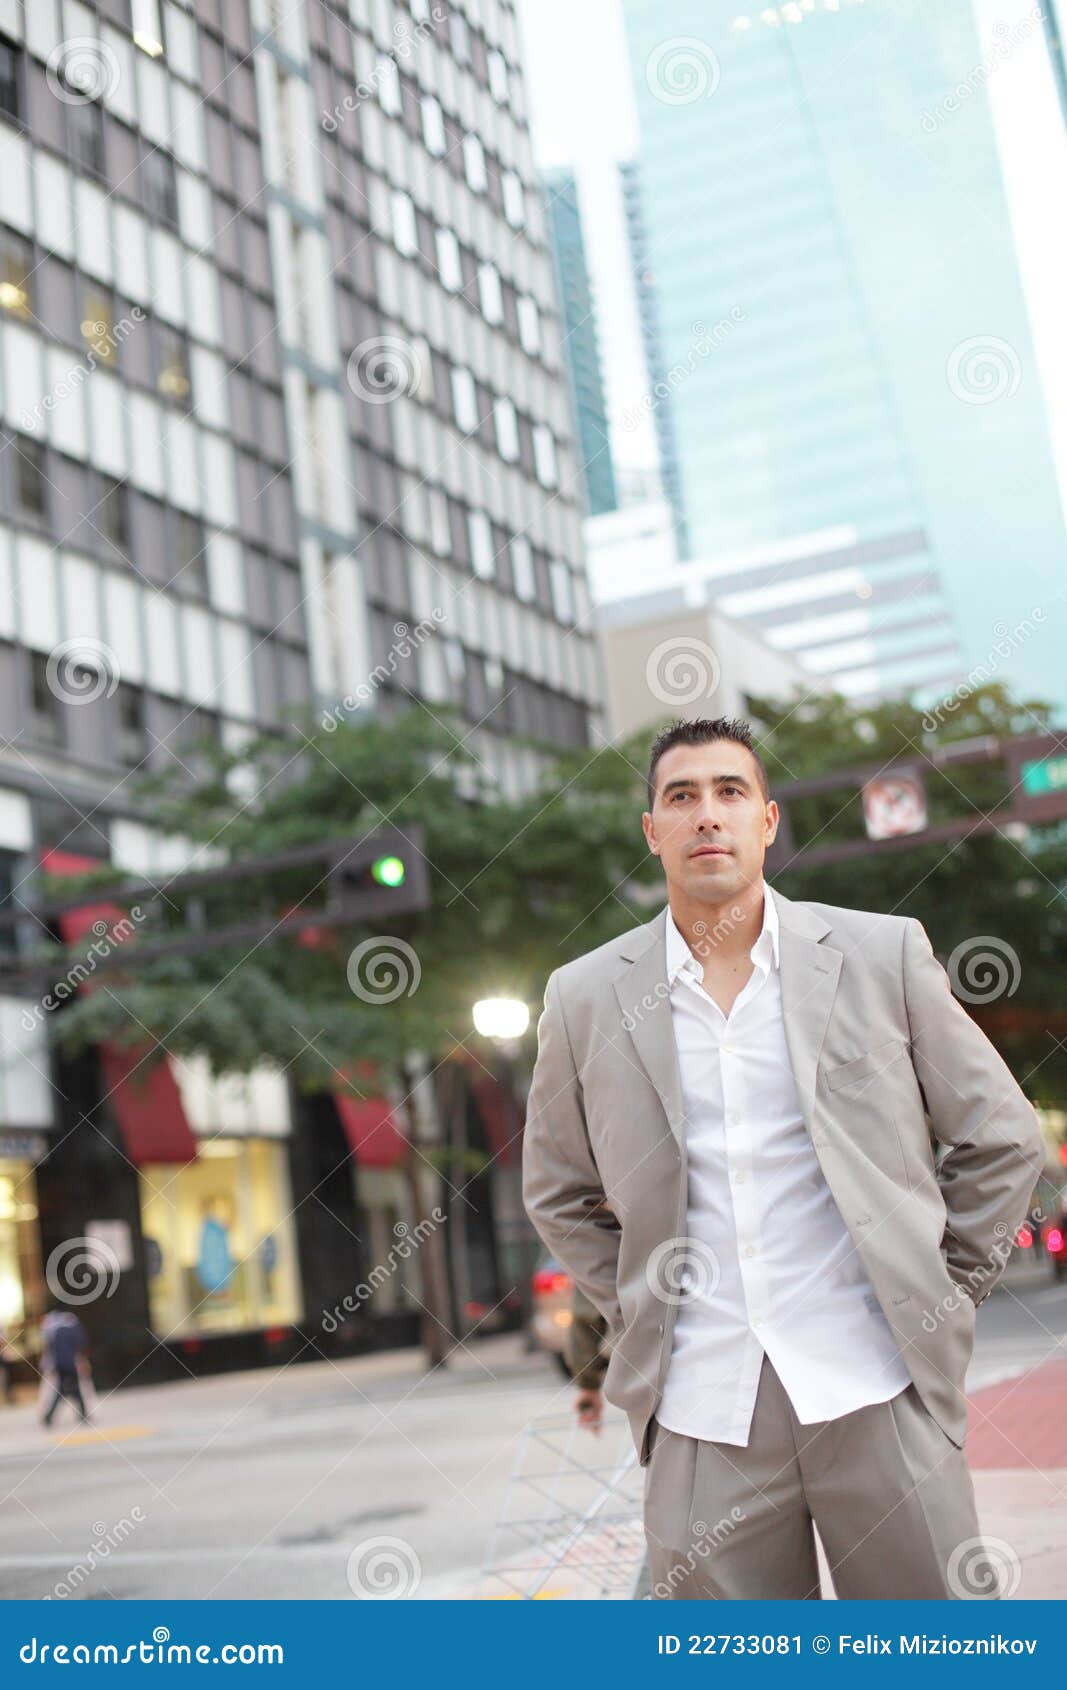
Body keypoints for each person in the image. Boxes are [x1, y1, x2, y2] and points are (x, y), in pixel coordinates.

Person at [523, 716, 1045, 1600]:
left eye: (729, 792)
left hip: (878, 1382)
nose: (706, 817)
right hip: (700, 1410)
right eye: (680, 798)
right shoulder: (583, 998)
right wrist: (641, 1301)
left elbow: (1002, 1136)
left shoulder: (880, 956)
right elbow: (557, 1190)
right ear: (651, 831)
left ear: (767, 821)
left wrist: (941, 1292)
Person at [40, 1305, 91, 1428]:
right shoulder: (73, 1326)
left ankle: (51, 1416)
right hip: (70, 1362)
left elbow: (49, 1347)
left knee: (66, 1389)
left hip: (59, 1363)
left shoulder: (54, 1328)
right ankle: (80, 1414)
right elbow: (80, 1344)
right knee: (69, 1389)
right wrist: (81, 1361)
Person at [0, 1324, 16, 1405]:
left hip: (3, 1356)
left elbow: (3, 1341)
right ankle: (7, 1395)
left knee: (5, 1376)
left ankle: (8, 1395)